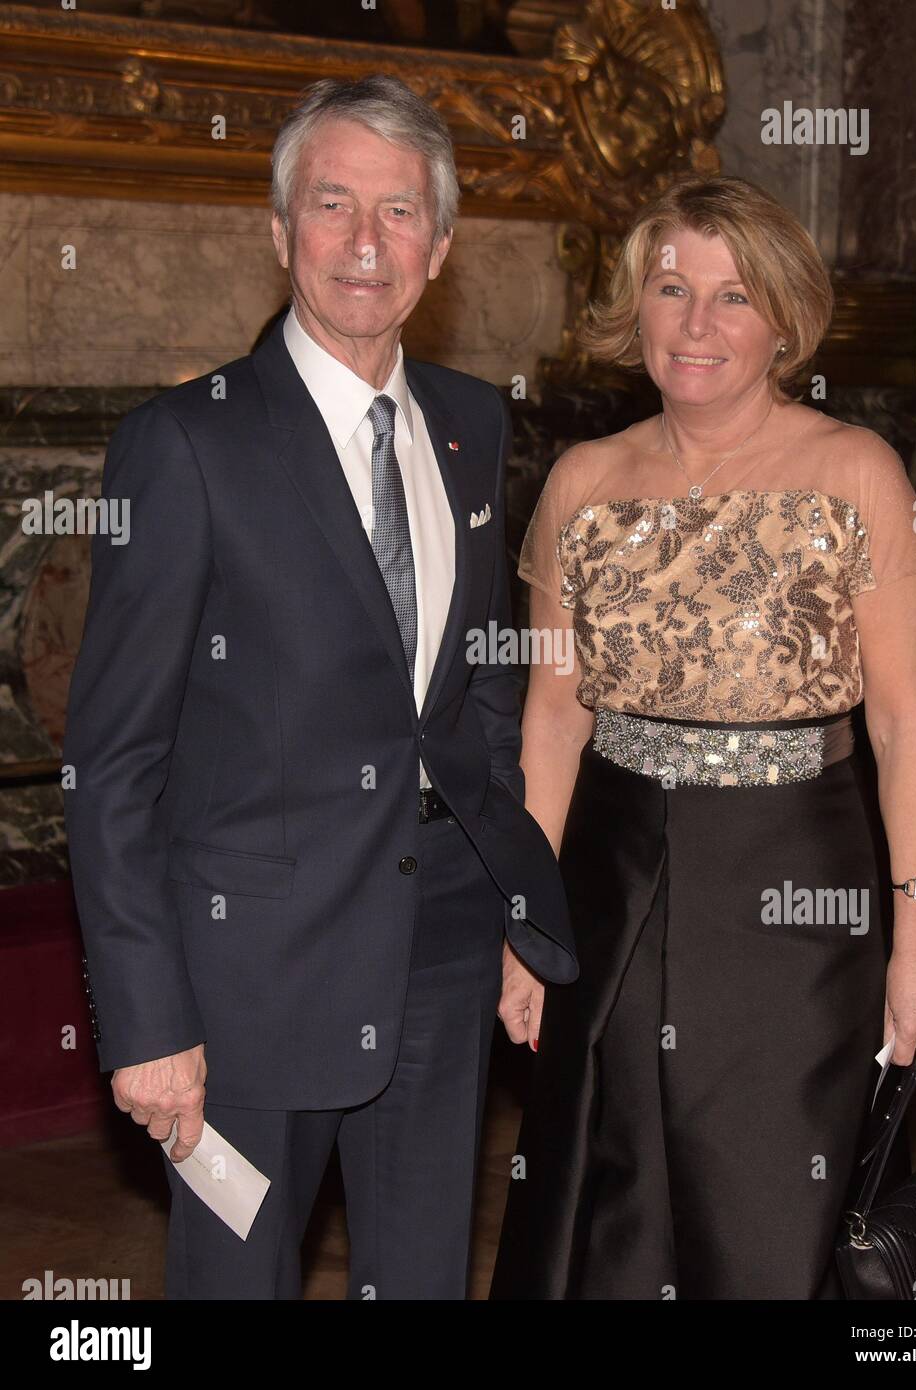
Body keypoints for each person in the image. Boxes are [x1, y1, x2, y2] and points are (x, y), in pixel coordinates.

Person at [63, 75, 575, 1301]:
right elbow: (114, 763)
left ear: (439, 246)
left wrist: (518, 904)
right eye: (331, 204)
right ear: (279, 228)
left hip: (439, 961)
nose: (363, 242)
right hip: (247, 984)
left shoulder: (470, 425)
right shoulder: (186, 442)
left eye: (398, 212)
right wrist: (144, 1021)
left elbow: (479, 694)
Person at [490, 174, 916, 1300]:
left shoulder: (854, 473)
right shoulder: (582, 481)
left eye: (732, 296)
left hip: (794, 895)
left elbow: (899, 726)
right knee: (612, 1199)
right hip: (608, 888)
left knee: (766, 1205)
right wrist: (523, 924)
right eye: (670, 289)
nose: (696, 325)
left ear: (782, 320)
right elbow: (553, 716)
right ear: (633, 308)